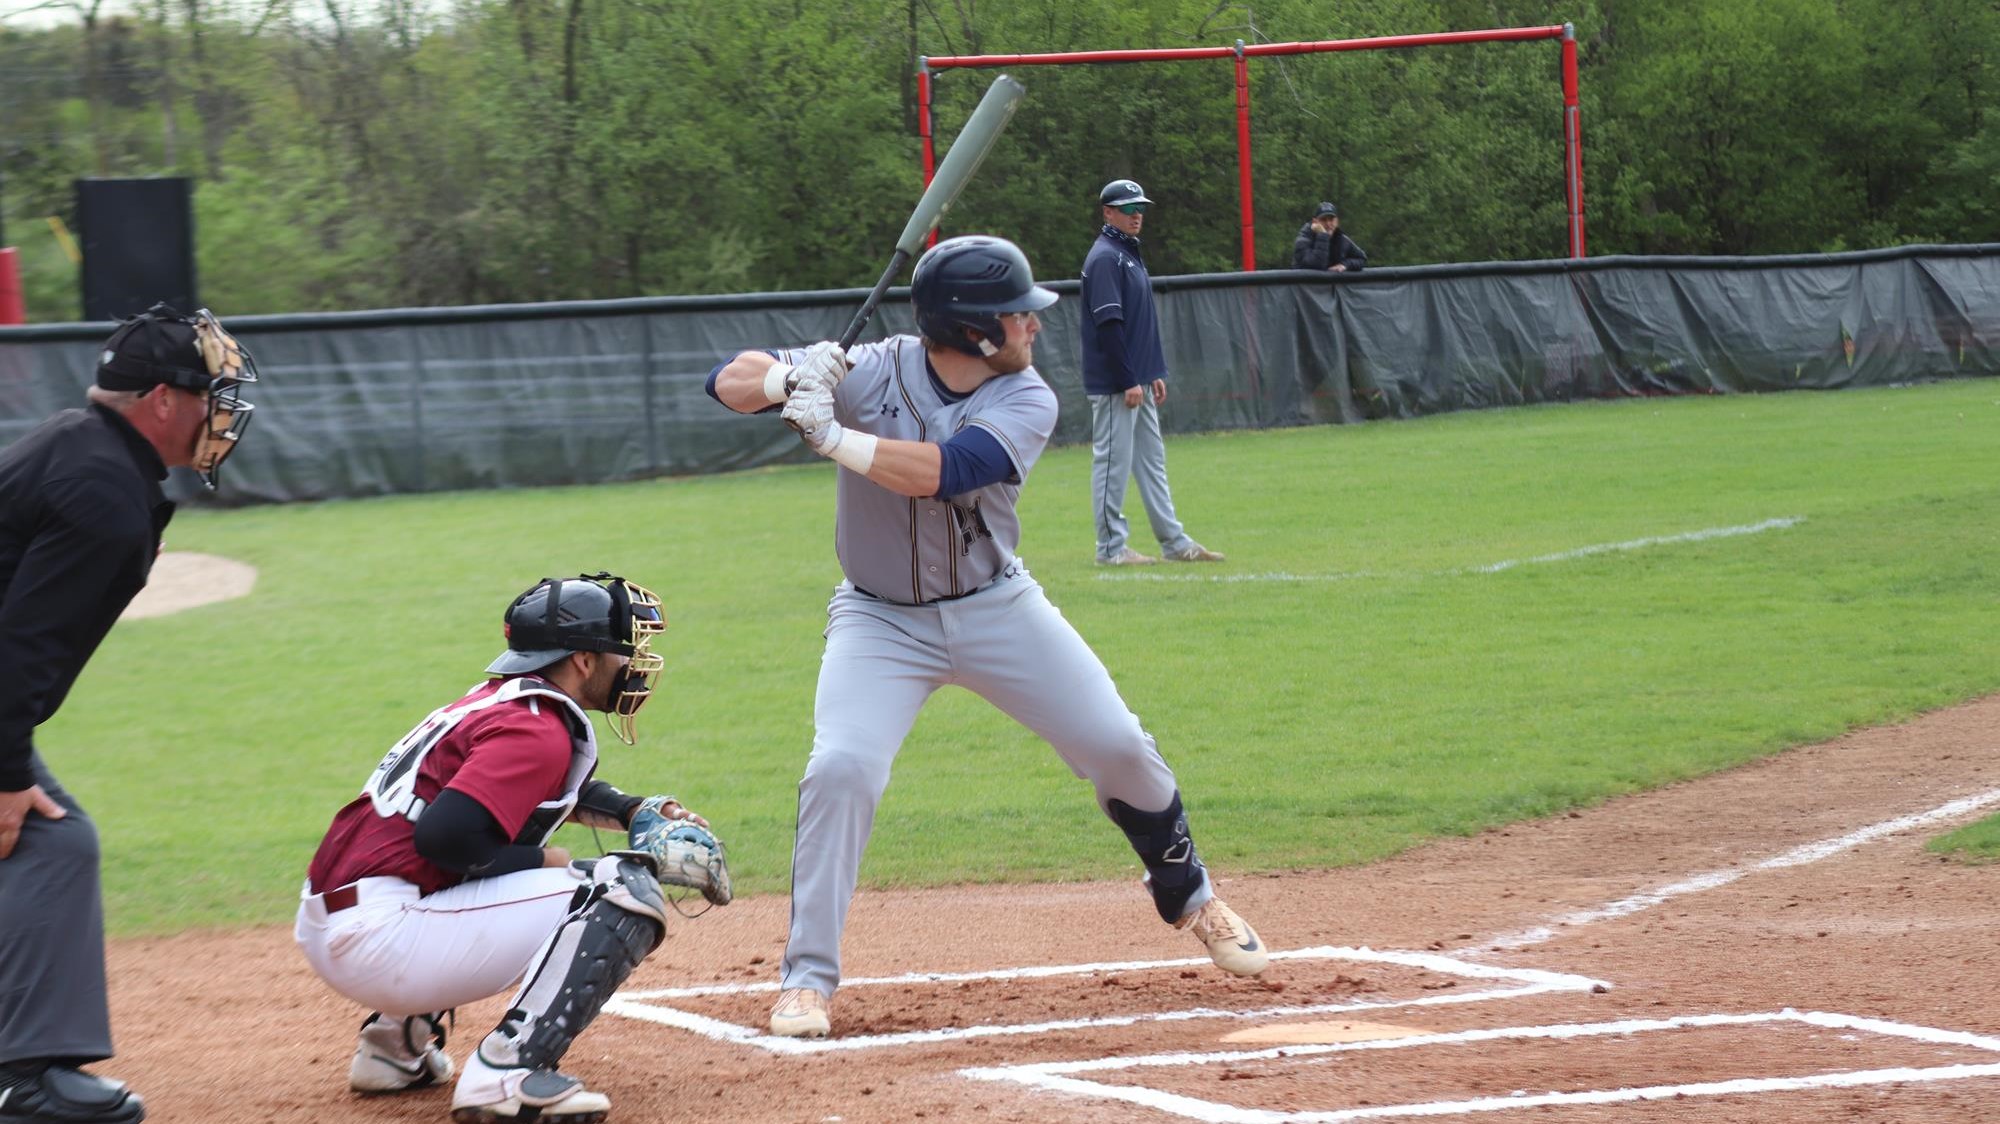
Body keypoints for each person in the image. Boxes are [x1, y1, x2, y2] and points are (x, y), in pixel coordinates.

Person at [707, 234, 1268, 1041]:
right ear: (973, 331)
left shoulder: (1028, 396)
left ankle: (1190, 895)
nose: (1033, 325)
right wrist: (784, 380)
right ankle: (806, 980)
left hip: (997, 605)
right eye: (1017, 315)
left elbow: (946, 472)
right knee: (841, 768)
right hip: (880, 619)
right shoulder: (871, 367)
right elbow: (723, 380)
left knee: (1118, 743)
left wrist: (830, 437)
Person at [294, 572, 731, 1122]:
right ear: (584, 660)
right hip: (383, 941)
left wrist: (632, 810)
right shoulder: (536, 730)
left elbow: (525, 791)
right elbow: (445, 838)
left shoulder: (501, 703)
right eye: (622, 648)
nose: (632, 662)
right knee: (617, 888)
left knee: (489, 865)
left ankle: (393, 1050)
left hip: (344, 919)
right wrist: (545, 859)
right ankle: (508, 1074)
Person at [0, 304, 258, 1124]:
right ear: (161, 400)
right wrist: (5, 774)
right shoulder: (102, 493)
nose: (220, 410)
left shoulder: (78, 445)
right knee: (52, 841)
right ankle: (26, 1079)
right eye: (209, 393)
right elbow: (18, 648)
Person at [1081, 179, 1225, 566]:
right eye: (1128, 208)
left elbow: (1137, 322)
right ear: (1108, 212)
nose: (1136, 215)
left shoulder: (1126, 253)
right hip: (1117, 382)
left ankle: (1174, 541)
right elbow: (1109, 325)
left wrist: (1150, 371)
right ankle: (1110, 549)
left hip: (1138, 377)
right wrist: (1128, 378)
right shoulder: (1106, 257)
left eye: (1140, 207)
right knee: (1112, 463)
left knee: (1151, 463)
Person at [1291, 202, 1367, 273]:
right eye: (1323, 220)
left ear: (1337, 221)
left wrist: (1345, 265)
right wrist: (1323, 235)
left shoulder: (1342, 239)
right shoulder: (1303, 240)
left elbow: (1362, 258)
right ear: (1315, 222)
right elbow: (1317, 266)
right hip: (1306, 283)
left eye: (1331, 219)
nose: (1328, 224)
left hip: (1332, 283)